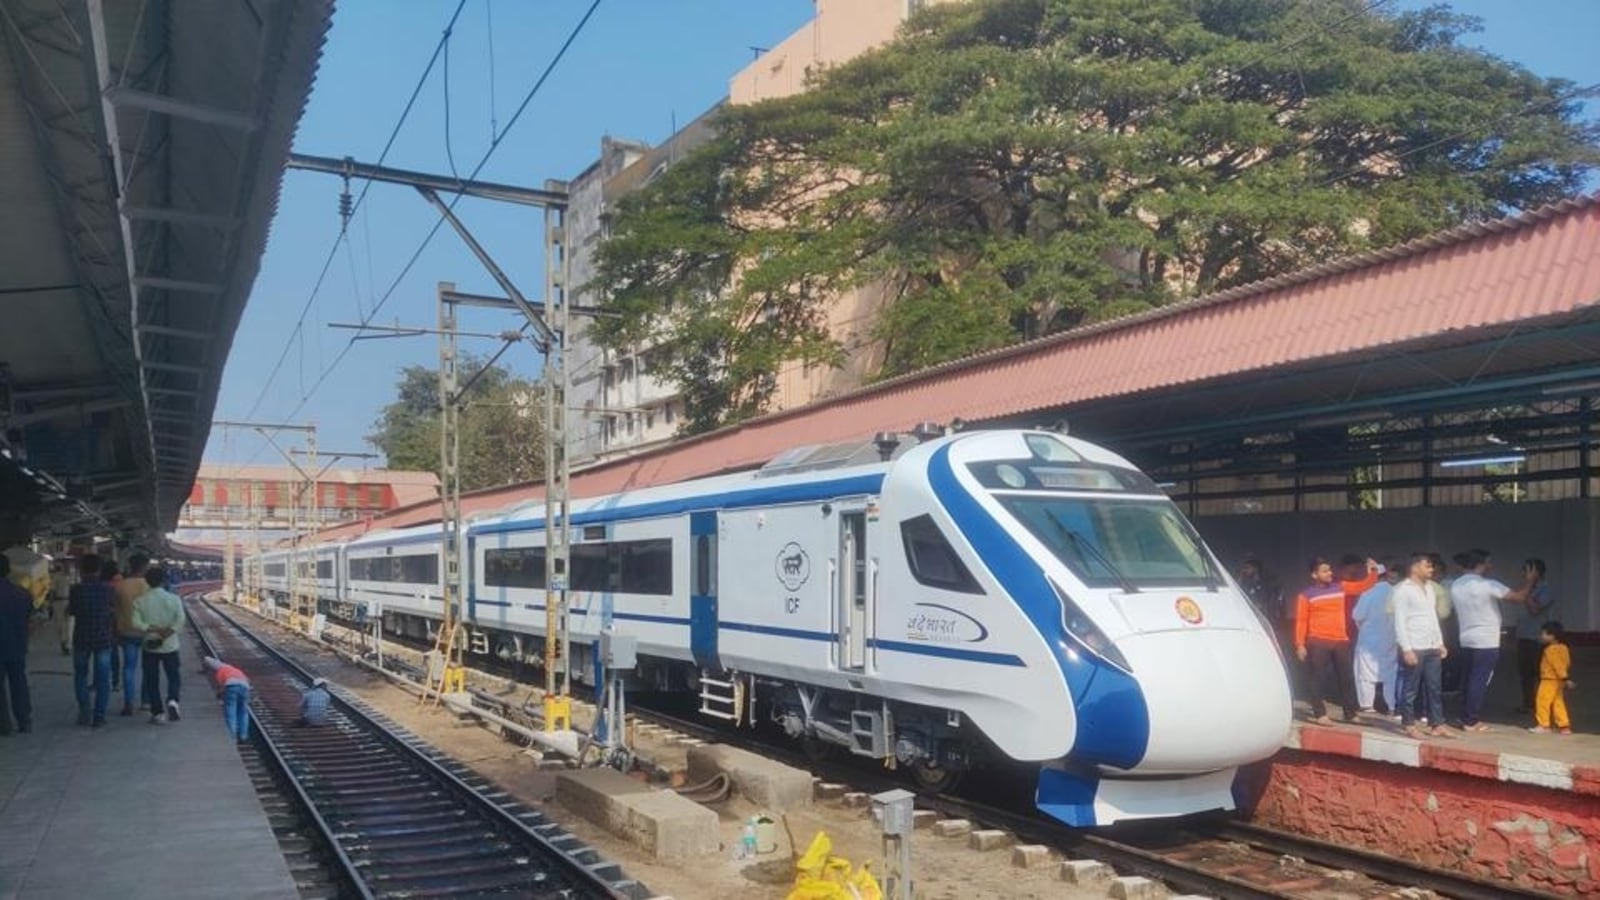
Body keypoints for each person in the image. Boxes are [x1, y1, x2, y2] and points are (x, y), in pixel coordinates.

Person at [1449, 549, 1531, 732]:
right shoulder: (1488, 585)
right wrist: (1530, 580)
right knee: (1479, 679)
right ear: (1480, 564)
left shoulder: (1456, 585)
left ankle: (1463, 715)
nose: (1490, 566)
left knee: (1467, 678)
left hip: (1466, 636)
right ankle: (1471, 720)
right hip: (1486, 639)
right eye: (1488, 562)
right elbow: (1519, 597)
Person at [1295, 555, 1380, 725]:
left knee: (1346, 678)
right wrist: (1300, 644)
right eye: (1324, 571)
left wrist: (1373, 572)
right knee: (1317, 678)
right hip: (1318, 641)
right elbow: (1301, 621)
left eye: (1329, 570)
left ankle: (1350, 714)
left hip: (1340, 640)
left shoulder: (1340, 587)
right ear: (1314, 575)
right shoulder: (1306, 595)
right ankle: (1320, 714)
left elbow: (1363, 586)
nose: (1329, 573)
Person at [1394, 552, 1453, 740]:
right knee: (1411, 688)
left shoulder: (1429, 588)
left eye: (1431, 566)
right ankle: (1409, 724)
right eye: (1427, 566)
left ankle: (1437, 724)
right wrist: (1406, 649)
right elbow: (1399, 621)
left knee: (1434, 687)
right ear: (1415, 567)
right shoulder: (1403, 590)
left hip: (1431, 644)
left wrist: (1440, 642)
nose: (1431, 569)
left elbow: (1432, 617)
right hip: (1414, 645)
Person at [67, 554, 117, 727]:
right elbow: (112, 611)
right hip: (103, 638)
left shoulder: (76, 590)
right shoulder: (109, 590)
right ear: (100, 569)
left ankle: (84, 713)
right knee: (103, 678)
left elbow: (72, 611)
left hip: (81, 638)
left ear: (81, 569)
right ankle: (99, 716)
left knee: (81, 675)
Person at [133, 567, 185, 725]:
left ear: (147, 582)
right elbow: (180, 620)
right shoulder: (174, 599)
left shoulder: (140, 601)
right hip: (170, 646)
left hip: (150, 645)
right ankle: (173, 700)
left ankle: (158, 713)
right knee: (173, 676)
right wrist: (167, 632)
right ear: (163, 581)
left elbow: (135, 623)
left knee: (151, 679)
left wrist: (151, 628)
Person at [1351, 562, 1402, 718]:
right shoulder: (1396, 591)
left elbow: (1357, 615)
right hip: (1390, 639)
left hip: (1369, 641)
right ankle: (1392, 706)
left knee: (1365, 673)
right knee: (1390, 674)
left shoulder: (1368, 592)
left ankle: (1367, 705)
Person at [113, 553, 152, 716]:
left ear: (130, 566)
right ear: (145, 567)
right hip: (147, 632)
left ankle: (128, 702)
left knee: (128, 668)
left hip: (127, 632)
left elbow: (115, 610)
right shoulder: (150, 585)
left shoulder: (120, 586)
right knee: (148, 667)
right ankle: (145, 701)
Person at [0, 555, 34, 735]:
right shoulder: (22, 593)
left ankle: (4, 725)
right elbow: (30, 619)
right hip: (17, 645)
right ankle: (24, 720)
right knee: (19, 683)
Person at [1514, 559, 1553, 714]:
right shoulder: (1525, 588)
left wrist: (1528, 591)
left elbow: (1535, 610)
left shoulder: (1546, 589)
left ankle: (1544, 705)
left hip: (1537, 637)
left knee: (1539, 672)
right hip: (1522, 636)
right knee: (1525, 673)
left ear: (1537, 572)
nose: (1524, 574)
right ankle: (1528, 703)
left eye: (1528, 571)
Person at [1529, 622, 1573, 735]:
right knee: (1558, 702)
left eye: (1544, 634)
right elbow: (1566, 663)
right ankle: (1564, 726)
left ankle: (1543, 725)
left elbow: (1557, 665)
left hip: (1548, 680)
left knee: (1542, 701)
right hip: (1559, 681)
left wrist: (1565, 678)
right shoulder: (1564, 648)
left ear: (1553, 636)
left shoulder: (1550, 650)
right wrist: (1564, 678)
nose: (1541, 636)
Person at [203, 656, 252, 743]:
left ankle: (232, 736)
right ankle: (243, 735)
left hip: (231, 686)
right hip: (245, 687)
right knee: (243, 712)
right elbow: (248, 680)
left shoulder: (220, 671)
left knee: (231, 711)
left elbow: (222, 688)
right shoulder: (235, 670)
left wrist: (219, 695)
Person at [50, 561, 73, 655]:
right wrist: (51, 604)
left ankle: (67, 645)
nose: (68, 568)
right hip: (58, 602)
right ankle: (63, 642)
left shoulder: (72, 578)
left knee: (69, 625)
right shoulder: (57, 577)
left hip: (69, 601)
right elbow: (53, 591)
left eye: (69, 567)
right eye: (66, 566)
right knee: (60, 624)